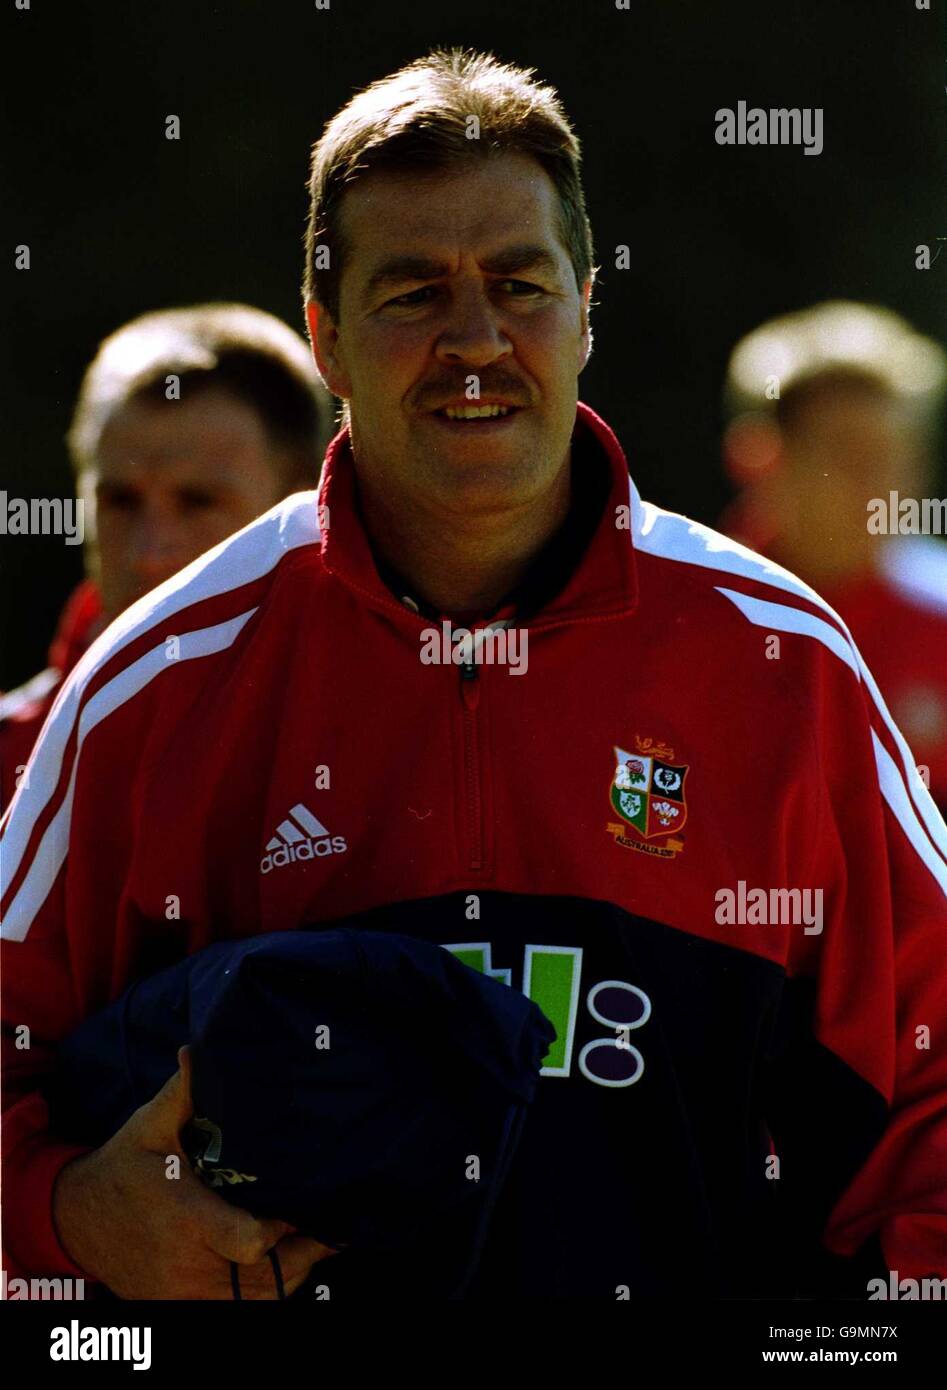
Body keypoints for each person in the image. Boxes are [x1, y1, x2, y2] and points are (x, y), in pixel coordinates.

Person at [2, 49, 946, 1301]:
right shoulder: (157, 679)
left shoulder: (782, 660)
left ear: (586, 312)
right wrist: (70, 1212)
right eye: (410, 292)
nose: (474, 340)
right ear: (325, 339)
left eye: (518, 284)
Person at [0, 303, 335, 810]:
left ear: (307, 508)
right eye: (120, 502)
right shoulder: (9, 763)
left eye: (198, 501)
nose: (149, 553)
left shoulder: (384, 740)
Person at [721, 301, 947, 810]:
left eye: (899, 458)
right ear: (759, 456)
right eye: (851, 454)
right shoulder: (680, 610)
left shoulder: (941, 621)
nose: (884, 487)